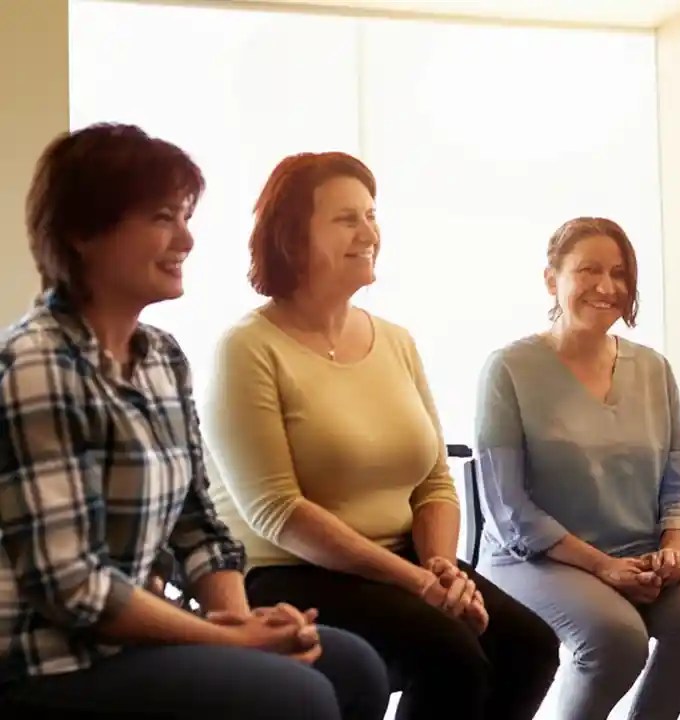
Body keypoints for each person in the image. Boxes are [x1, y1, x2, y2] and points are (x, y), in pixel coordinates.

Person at [0, 124, 389, 720]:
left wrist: (236, 620)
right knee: (298, 696)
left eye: (185, 217)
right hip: (52, 661)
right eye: (163, 218)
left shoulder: (161, 355)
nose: (185, 238)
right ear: (82, 233)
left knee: (353, 666)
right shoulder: (35, 365)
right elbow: (71, 585)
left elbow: (196, 523)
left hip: (133, 641)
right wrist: (229, 641)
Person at [202, 152, 559, 720]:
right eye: (347, 219)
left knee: (529, 647)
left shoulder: (396, 341)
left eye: (371, 216)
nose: (369, 233)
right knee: (451, 656)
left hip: (402, 561)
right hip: (288, 569)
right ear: (293, 234)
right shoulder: (247, 347)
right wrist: (417, 584)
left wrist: (441, 569)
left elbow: (434, 481)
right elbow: (276, 511)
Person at [475, 217, 680, 720]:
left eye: (619, 273)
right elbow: (509, 509)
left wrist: (673, 548)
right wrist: (602, 566)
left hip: (639, 552)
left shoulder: (653, 369)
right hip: (536, 560)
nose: (607, 286)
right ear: (551, 279)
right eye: (588, 270)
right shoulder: (508, 369)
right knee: (616, 638)